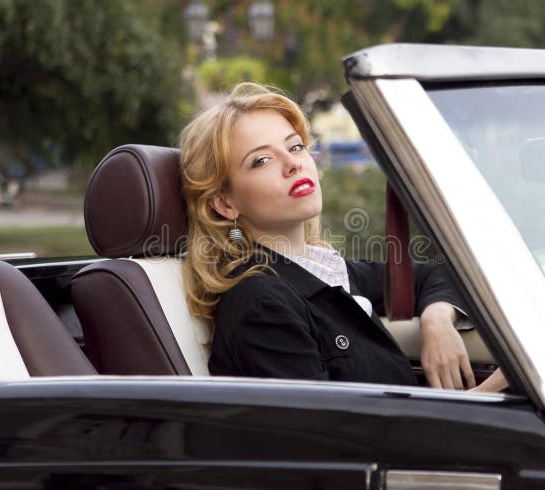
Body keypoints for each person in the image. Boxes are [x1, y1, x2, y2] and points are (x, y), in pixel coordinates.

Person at [180, 82, 507, 392]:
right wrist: (489, 392)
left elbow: (435, 274)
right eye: (261, 160)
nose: (293, 163)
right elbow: (331, 442)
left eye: (295, 146)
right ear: (225, 203)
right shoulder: (262, 305)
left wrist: (437, 318)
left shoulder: (319, 271)